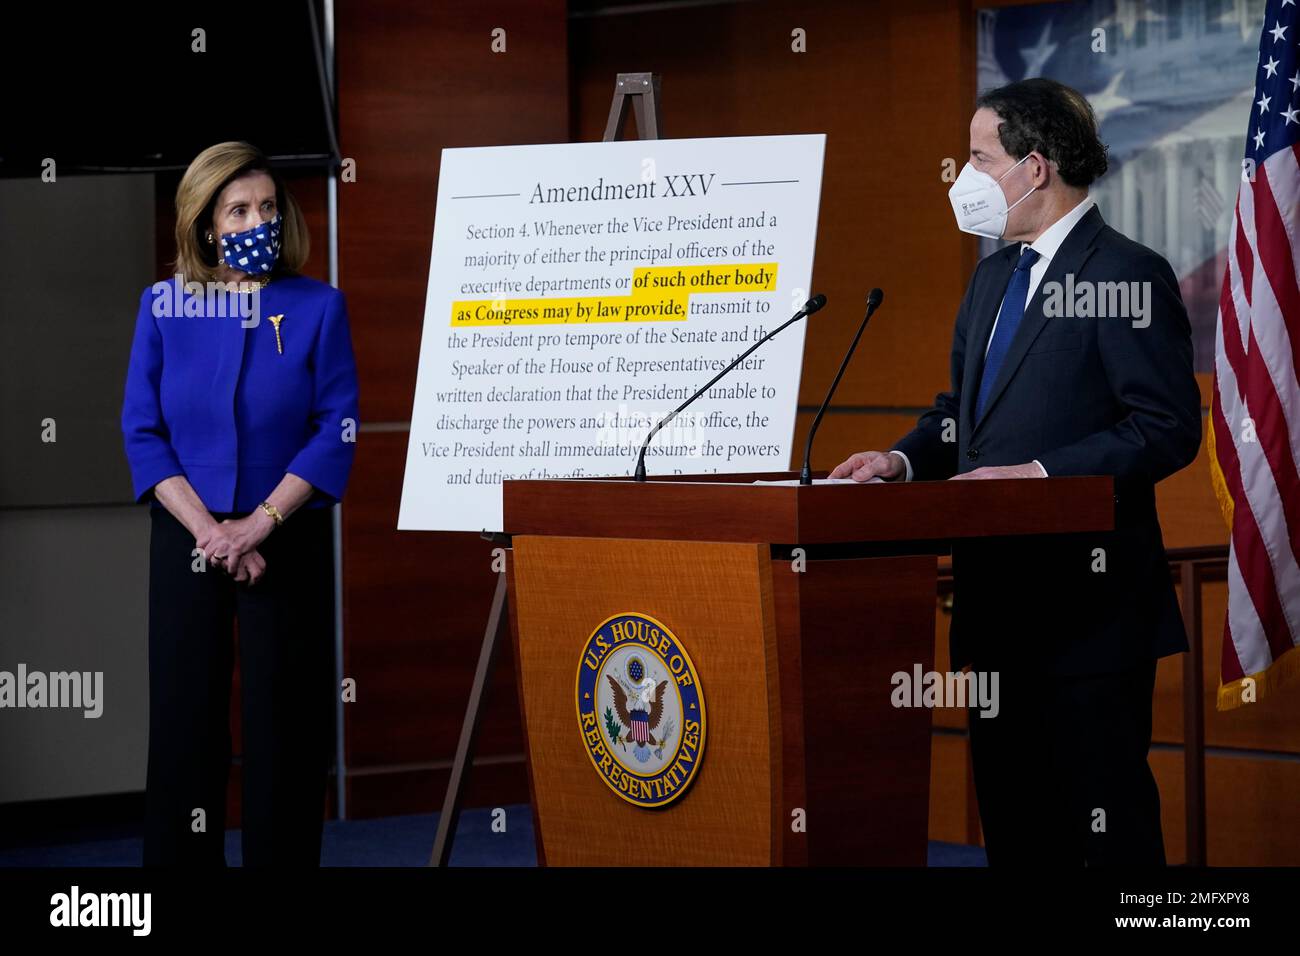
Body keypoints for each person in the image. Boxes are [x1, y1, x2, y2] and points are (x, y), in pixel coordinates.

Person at [832, 79, 1201, 865]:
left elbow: (1166, 429)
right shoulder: (992, 277)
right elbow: (959, 413)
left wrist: (1039, 473)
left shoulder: (1125, 274)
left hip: (1088, 619)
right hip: (996, 618)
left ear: (1035, 168)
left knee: (1103, 835)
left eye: (977, 157)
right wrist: (900, 460)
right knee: (1017, 829)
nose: (962, 176)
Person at [121, 141, 359, 865]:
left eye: (266, 207)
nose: (258, 220)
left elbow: (335, 428)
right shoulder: (163, 306)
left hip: (284, 536)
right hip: (187, 542)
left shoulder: (318, 306)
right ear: (205, 225)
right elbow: (142, 430)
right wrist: (210, 535)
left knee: (283, 728)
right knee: (186, 723)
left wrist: (257, 526)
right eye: (237, 209)